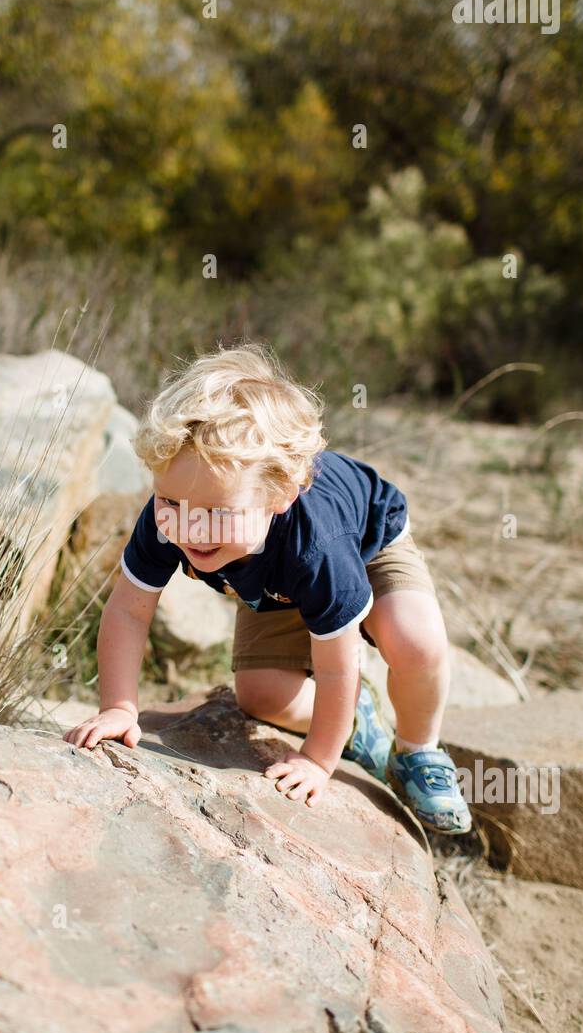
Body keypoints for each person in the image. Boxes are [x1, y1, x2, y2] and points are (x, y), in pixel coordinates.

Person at [64, 343, 471, 833]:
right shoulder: (170, 517)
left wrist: (318, 760)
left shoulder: (317, 545)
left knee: (414, 642)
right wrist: (119, 708)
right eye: (171, 500)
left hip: (367, 541)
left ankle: (416, 752)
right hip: (270, 580)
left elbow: (340, 667)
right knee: (261, 697)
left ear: (280, 495)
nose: (193, 527)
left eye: (218, 512)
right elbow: (129, 611)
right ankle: (359, 723)